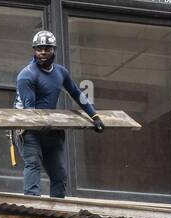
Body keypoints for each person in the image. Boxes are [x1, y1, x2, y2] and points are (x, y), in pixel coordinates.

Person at [15, 30, 104, 197]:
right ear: (34, 50)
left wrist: (94, 116)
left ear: (54, 50)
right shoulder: (27, 75)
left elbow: (77, 93)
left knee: (59, 174)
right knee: (33, 164)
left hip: (50, 130)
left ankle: (58, 208)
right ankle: (32, 205)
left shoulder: (61, 72)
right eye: (39, 49)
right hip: (29, 129)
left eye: (47, 49)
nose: (42, 52)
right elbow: (30, 110)